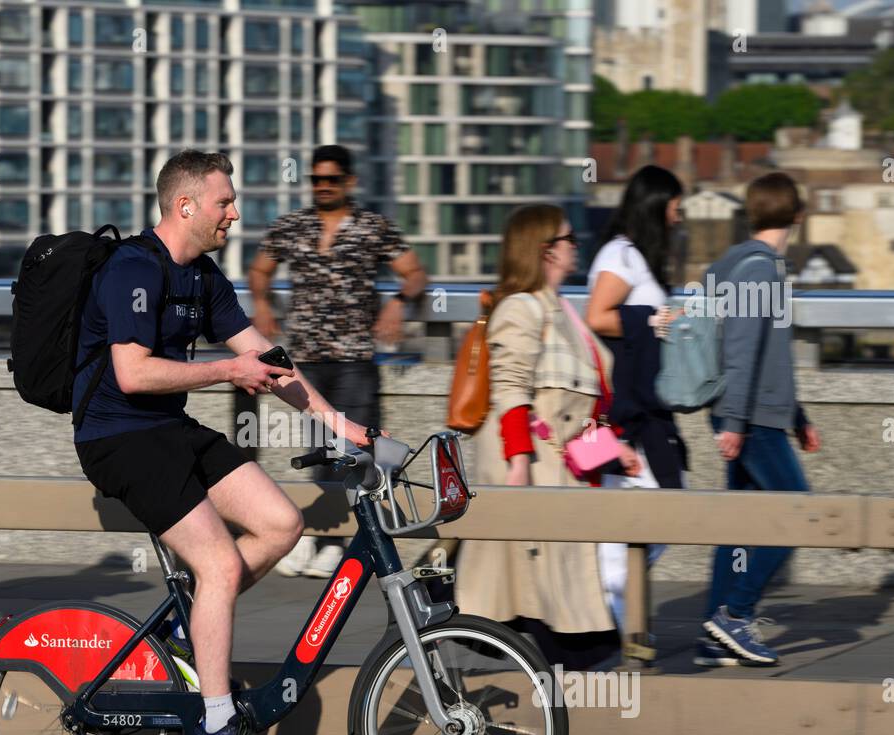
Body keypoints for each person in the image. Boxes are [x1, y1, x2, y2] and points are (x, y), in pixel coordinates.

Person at [74, 149, 373, 735]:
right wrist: (226, 371)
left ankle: (187, 633)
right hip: (117, 438)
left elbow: (267, 358)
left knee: (282, 524)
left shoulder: (205, 278)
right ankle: (213, 725)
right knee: (218, 565)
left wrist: (342, 425)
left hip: (168, 428)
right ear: (186, 206)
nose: (235, 213)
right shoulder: (134, 267)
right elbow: (130, 375)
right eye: (224, 202)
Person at [455, 204, 640, 669]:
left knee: (554, 604)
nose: (576, 246)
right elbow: (512, 390)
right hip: (537, 473)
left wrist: (612, 449)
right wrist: (519, 463)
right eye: (568, 239)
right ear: (545, 251)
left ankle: (564, 697)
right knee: (555, 607)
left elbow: (572, 412)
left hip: (561, 473)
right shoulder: (523, 308)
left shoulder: (561, 311)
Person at [248, 144, 427, 579]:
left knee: (357, 452)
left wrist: (397, 304)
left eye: (331, 179)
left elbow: (415, 273)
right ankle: (323, 537)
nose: (322, 186)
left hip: (353, 358)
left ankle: (344, 544)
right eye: (316, 179)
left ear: (349, 181)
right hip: (305, 362)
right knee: (320, 453)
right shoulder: (294, 226)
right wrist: (261, 302)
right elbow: (259, 270)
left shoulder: (372, 227)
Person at [700, 172, 820, 666]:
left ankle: (714, 636)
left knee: (738, 524)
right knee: (799, 514)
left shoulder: (738, 263)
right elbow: (745, 349)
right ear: (797, 214)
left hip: (757, 412)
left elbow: (767, 353)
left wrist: (797, 414)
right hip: (750, 418)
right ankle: (735, 614)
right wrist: (734, 421)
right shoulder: (759, 270)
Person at [585, 164, 687, 632]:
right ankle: (613, 629)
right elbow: (597, 316)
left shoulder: (634, 257)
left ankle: (615, 624)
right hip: (624, 411)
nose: (679, 217)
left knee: (654, 514)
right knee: (645, 516)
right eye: (674, 207)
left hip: (644, 408)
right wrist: (652, 321)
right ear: (655, 206)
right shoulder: (621, 255)